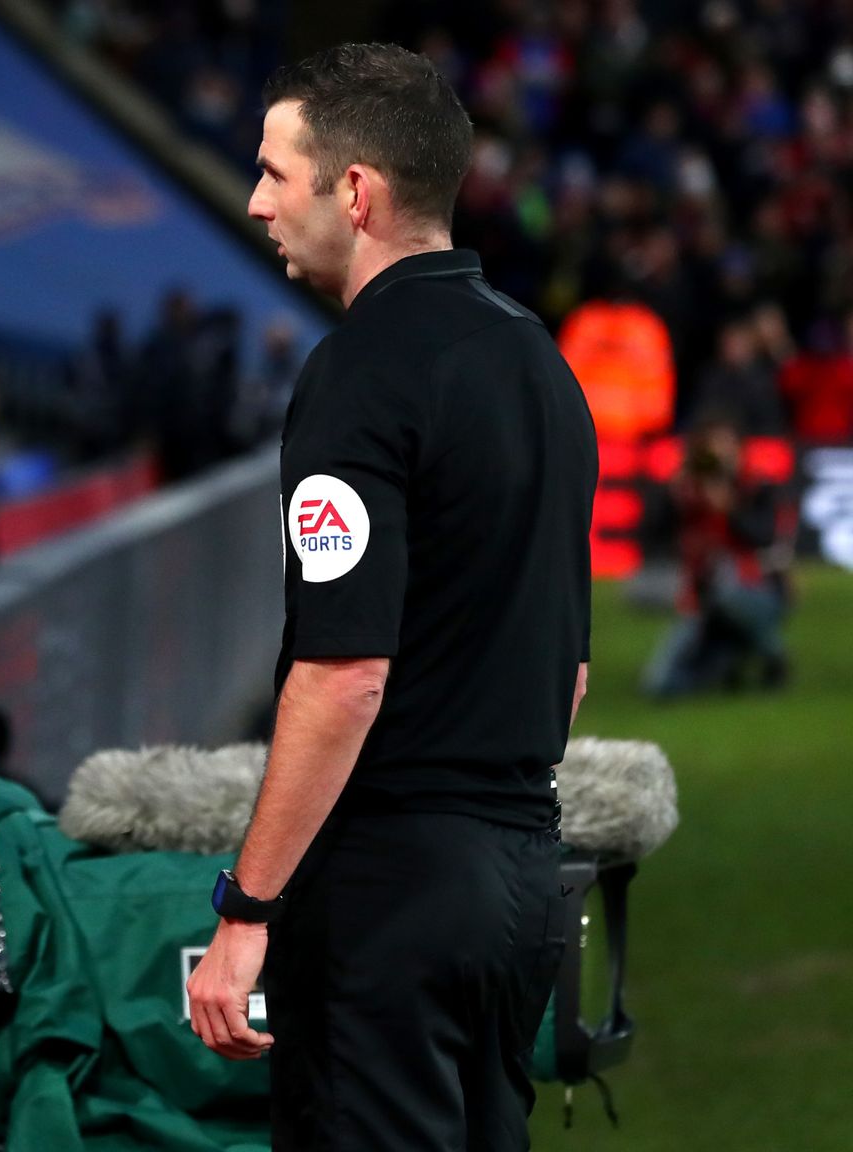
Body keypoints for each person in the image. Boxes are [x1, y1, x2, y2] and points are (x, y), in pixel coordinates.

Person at [186, 43, 597, 1152]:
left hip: (390, 894)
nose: (255, 201)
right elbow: (568, 668)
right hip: (519, 878)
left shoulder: (360, 369)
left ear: (353, 192)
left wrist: (246, 913)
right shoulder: (538, 363)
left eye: (275, 172)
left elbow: (342, 671)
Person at [641, 411, 792, 696]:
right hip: (698, 600)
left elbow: (764, 537)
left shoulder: (757, 487)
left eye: (726, 447)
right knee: (661, 685)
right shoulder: (687, 491)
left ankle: (772, 652)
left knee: (725, 588)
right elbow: (652, 539)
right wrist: (675, 498)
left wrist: (730, 507)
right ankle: (725, 658)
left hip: (754, 592)